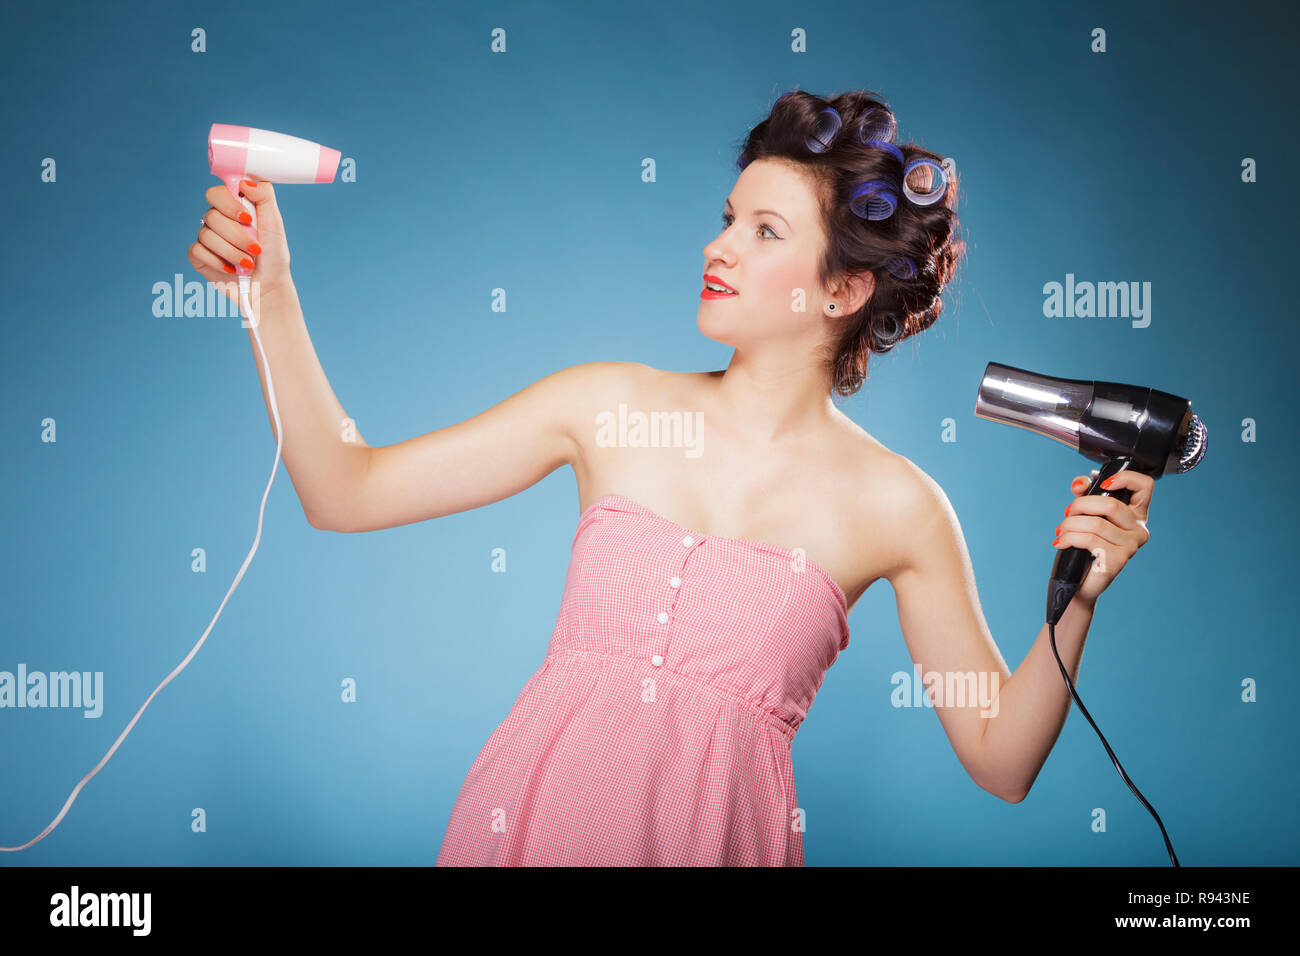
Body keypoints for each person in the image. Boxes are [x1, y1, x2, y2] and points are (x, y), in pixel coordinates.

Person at [187, 89, 1155, 866]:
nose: (718, 246)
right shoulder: (605, 400)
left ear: (843, 289)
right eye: (727, 218)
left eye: (763, 232)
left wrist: (1080, 591)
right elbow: (343, 489)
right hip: (523, 824)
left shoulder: (897, 504)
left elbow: (1000, 757)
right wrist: (267, 296)